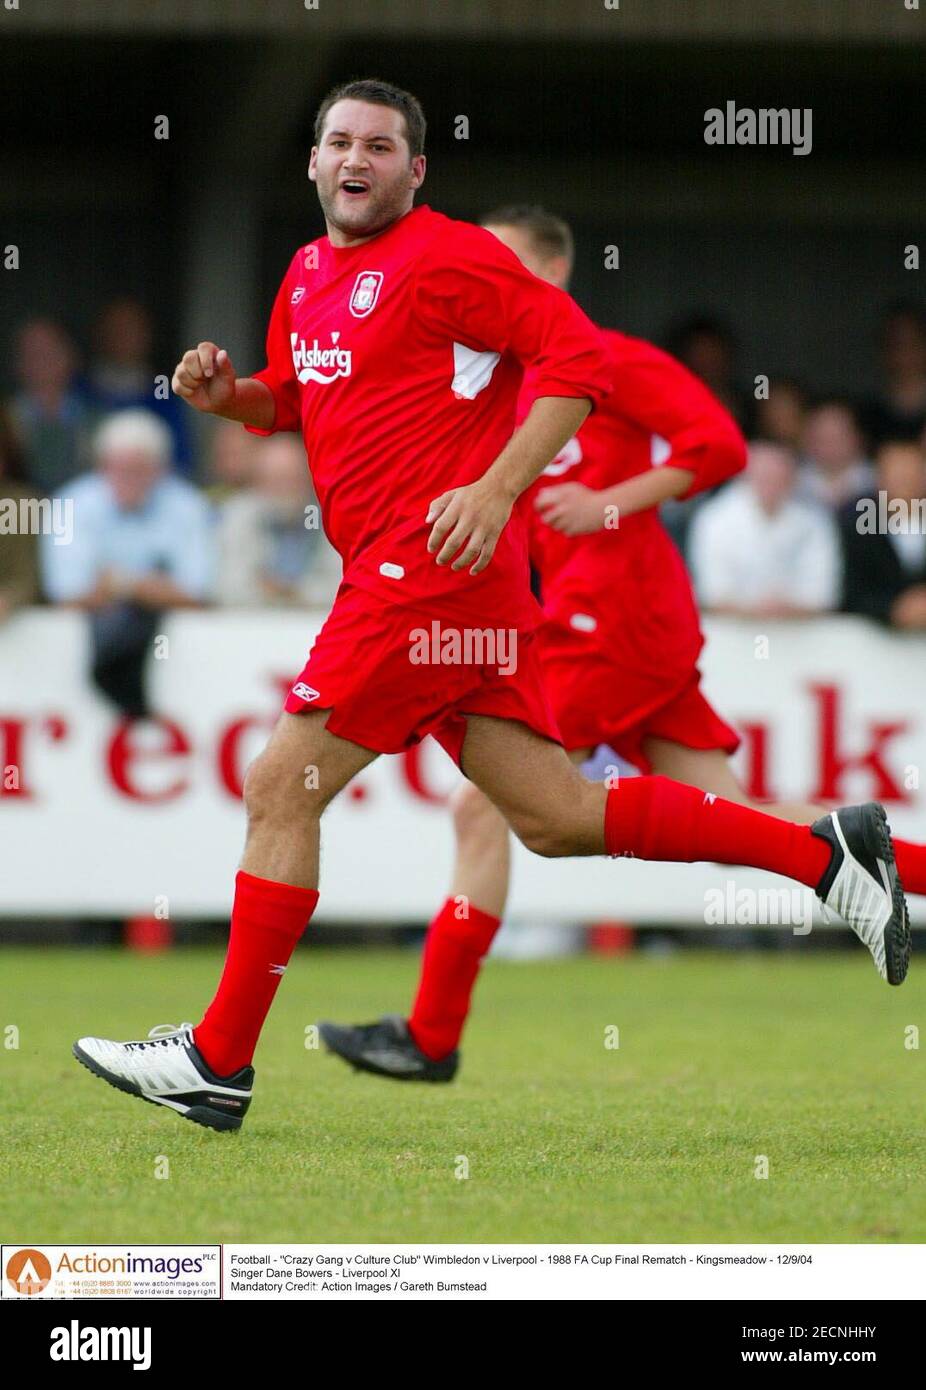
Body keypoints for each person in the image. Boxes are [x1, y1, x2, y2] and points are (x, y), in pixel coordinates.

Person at [72, 79, 910, 1133]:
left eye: (380, 145)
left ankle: (218, 1058)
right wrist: (227, 394)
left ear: (415, 169)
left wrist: (498, 483)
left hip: (422, 574)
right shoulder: (306, 271)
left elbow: (578, 362)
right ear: (313, 161)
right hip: (458, 592)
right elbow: (293, 395)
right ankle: (823, 856)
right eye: (339, 141)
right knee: (556, 818)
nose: (356, 158)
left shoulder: (446, 255)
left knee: (281, 782)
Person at [316, 210, 924, 1083]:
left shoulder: (602, 356)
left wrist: (609, 502)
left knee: (484, 807)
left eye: (511, 260)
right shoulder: (489, 378)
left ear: (557, 270)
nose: (488, 274)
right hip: (606, 627)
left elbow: (716, 446)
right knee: (744, 815)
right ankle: (880, 862)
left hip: (615, 623)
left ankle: (431, 1034)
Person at [41, 409, 213, 716]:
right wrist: (153, 587)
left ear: (161, 468)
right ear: (101, 466)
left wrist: (119, 584)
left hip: (177, 671)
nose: (127, 479)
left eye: (138, 469)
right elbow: (66, 595)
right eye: (118, 468)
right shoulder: (72, 504)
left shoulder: (188, 506)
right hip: (89, 665)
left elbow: (197, 594)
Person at [688, 440, 841, 618]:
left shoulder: (814, 520)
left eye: (778, 476)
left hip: (799, 627)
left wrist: (783, 608)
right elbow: (711, 592)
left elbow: (823, 593)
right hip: (731, 626)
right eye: (763, 475)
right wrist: (754, 610)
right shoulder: (714, 518)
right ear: (745, 476)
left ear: (792, 478)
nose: (770, 483)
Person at [214, 434, 341, 607]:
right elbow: (226, 589)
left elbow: (340, 588)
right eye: (276, 480)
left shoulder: (332, 518)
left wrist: (292, 591)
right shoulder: (236, 516)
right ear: (257, 482)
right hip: (250, 626)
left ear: (310, 480)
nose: (285, 490)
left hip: (316, 623)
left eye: (293, 480)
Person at [841, 439, 926, 630]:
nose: (905, 481)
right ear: (880, 479)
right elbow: (851, 591)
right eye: (897, 474)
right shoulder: (857, 527)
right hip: (872, 643)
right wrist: (894, 609)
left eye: (912, 474)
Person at [7, 319, 98, 493]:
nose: (41, 360)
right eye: (31, 352)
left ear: (71, 356)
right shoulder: (5, 420)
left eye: (50, 350)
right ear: (17, 364)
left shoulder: (99, 419)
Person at [799, 399, 875, 512]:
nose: (830, 445)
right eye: (822, 437)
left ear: (856, 437)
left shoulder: (876, 480)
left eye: (838, 437)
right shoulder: (793, 482)